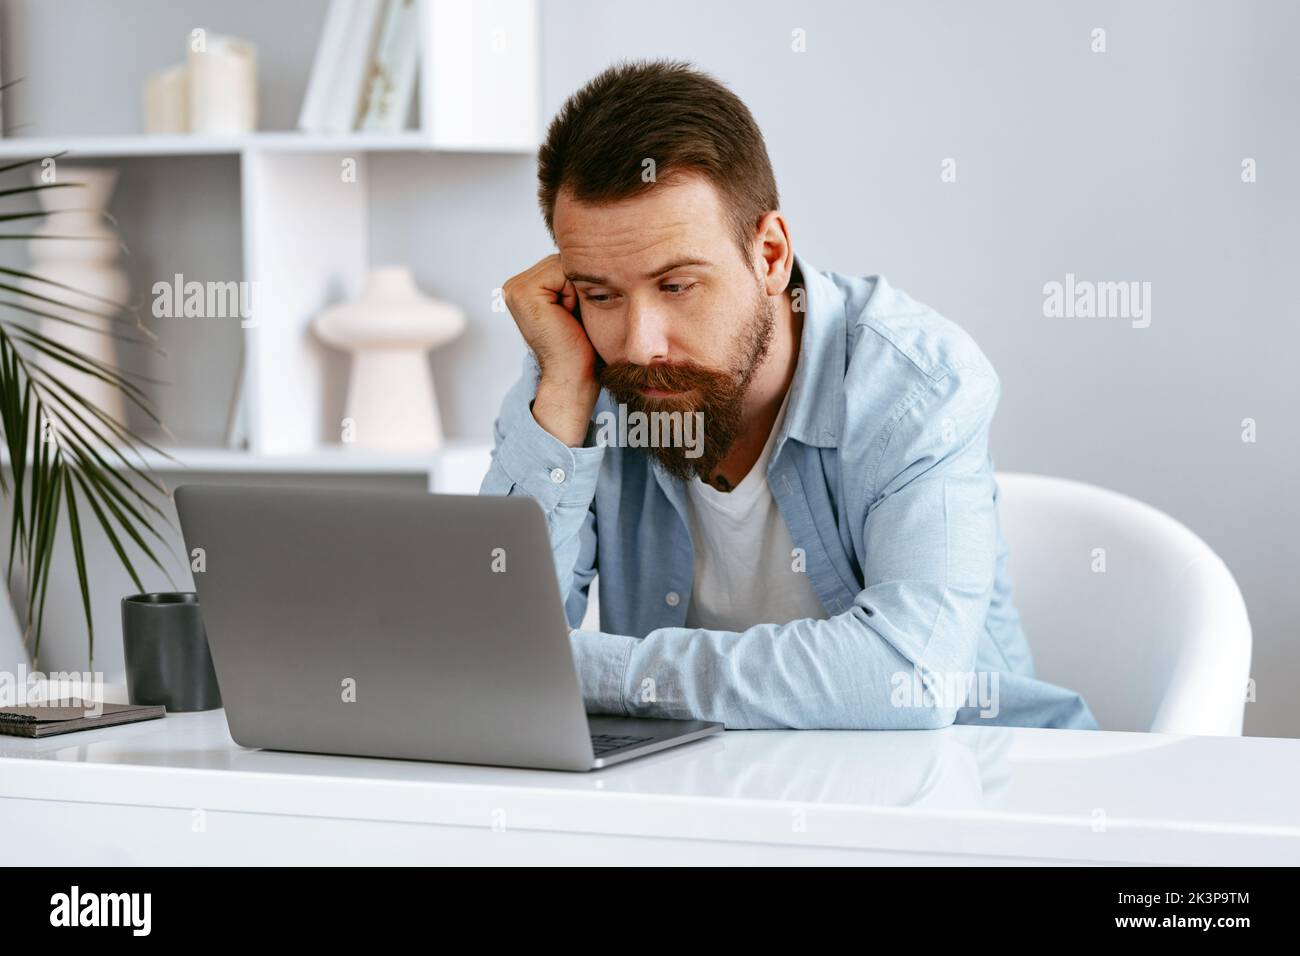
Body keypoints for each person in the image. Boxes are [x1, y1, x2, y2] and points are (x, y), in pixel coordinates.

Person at [482, 58, 1097, 731]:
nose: (641, 343)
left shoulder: (916, 385)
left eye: (677, 286)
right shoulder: (585, 371)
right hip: (709, 797)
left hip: (965, 791)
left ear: (770, 255)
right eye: (600, 294)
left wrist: (601, 672)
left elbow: (907, 677)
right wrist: (564, 393)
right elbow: (486, 649)